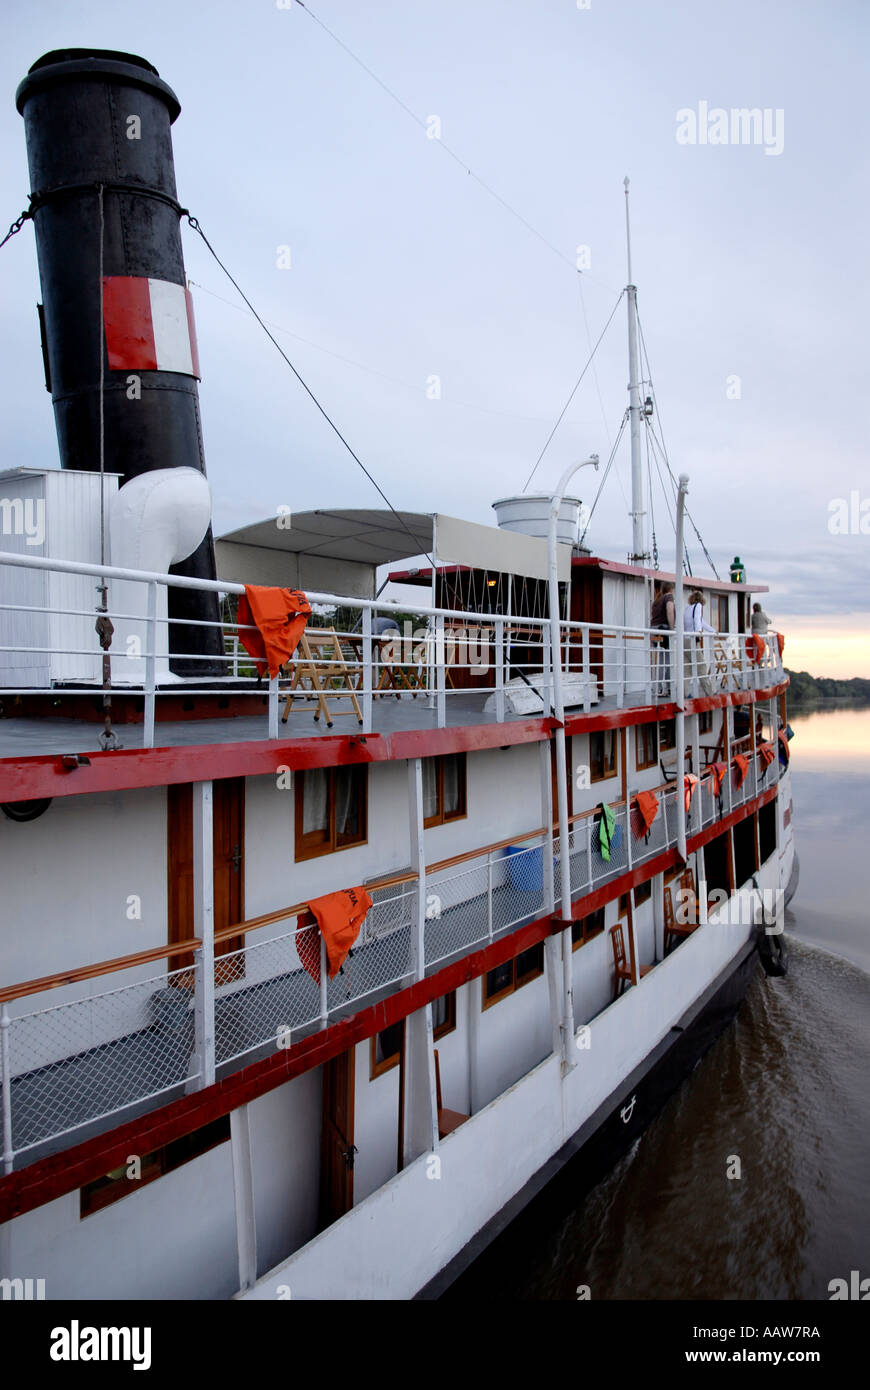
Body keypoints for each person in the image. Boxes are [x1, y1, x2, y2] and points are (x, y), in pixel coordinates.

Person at [683, 588, 716, 695]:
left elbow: (701, 621)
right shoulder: (698, 606)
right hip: (692, 640)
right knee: (701, 666)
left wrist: (712, 630)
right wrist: (698, 632)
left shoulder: (688, 608)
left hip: (685, 640)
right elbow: (698, 620)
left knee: (687, 669)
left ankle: (685, 693)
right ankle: (710, 692)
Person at [650, 581, 675, 696]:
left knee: (660, 660)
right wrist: (672, 629)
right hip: (663, 630)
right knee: (667, 661)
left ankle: (659, 688)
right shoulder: (668, 597)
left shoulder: (656, 600)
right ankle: (668, 688)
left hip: (654, 631)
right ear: (671, 589)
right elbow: (670, 612)